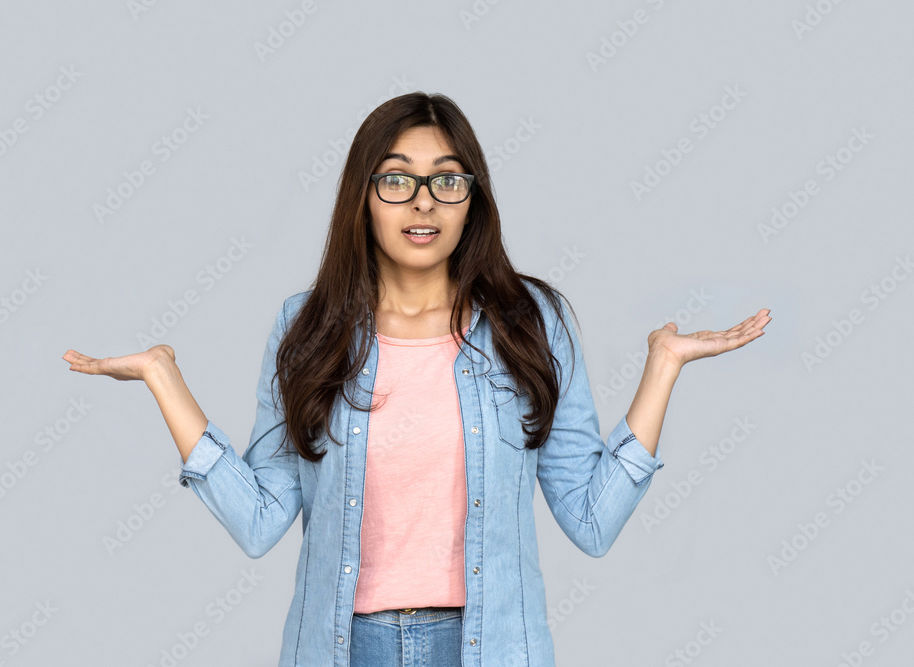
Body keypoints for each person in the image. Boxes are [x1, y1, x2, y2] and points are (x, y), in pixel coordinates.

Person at [62, 91, 770, 666]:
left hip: (489, 648)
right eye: (397, 179)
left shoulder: (531, 323)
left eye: (447, 180)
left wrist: (663, 366)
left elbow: (592, 519)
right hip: (343, 650)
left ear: (472, 199)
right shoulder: (307, 327)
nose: (423, 201)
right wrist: (164, 378)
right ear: (364, 195)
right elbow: (258, 521)